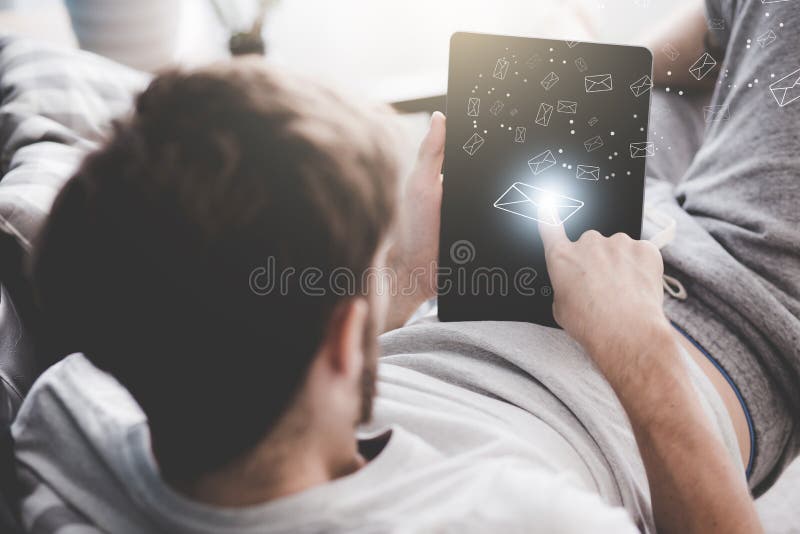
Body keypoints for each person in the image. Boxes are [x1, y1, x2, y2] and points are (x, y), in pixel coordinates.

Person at [12, 0, 798, 532]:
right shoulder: (507, 517)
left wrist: (410, 278)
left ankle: (610, 72)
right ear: (341, 340)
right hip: (712, 322)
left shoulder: (72, 414)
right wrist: (637, 350)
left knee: (613, 89)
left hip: (540, 267)